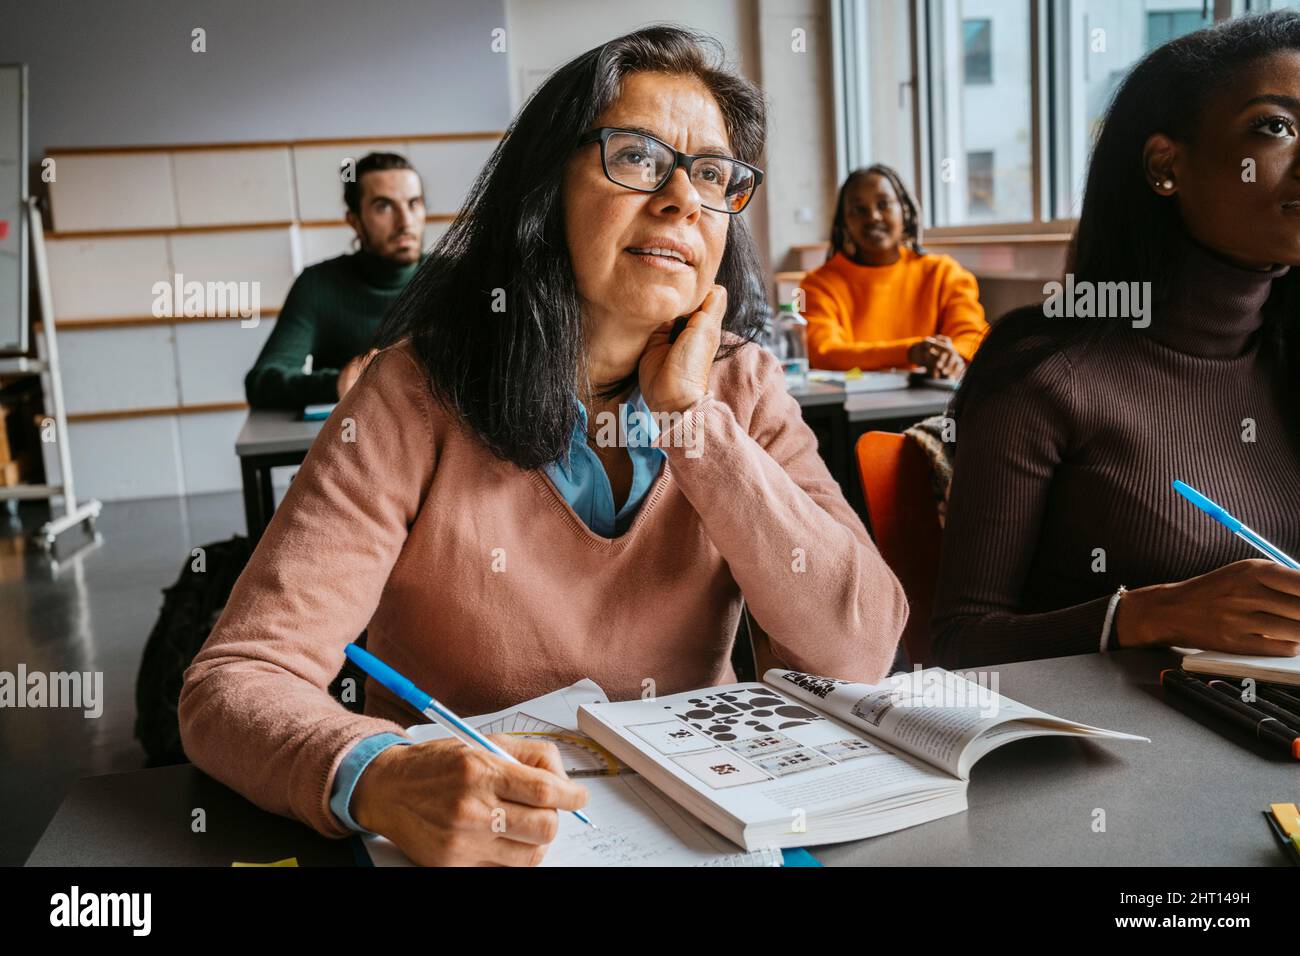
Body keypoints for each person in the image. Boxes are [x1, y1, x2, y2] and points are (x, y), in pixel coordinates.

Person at [180, 27, 907, 867]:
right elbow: (233, 682)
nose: (681, 200)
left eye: (711, 174)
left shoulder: (742, 387)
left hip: (703, 835)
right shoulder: (411, 393)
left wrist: (693, 423)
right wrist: (382, 775)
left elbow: (859, 646)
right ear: (544, 190)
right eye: (637, 157)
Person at [931, 11, 1300, 668]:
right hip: (1128, 757)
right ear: (1165, 166)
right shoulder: (1046, 376)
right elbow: (959, 643)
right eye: (1275, 126)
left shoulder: (1285, 359)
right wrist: (1147, 614)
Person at [243, 152, 426, 409]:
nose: (405, 221)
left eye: (414, 203)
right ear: (355, 222)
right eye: (383, 206)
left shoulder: (452, 277)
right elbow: (262, 382)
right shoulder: (317, 285)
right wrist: (337, 383)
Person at [799, 164, 987, 376]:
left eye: (883, 204)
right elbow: (822, 352)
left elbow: (972, 336)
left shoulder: (944, 273)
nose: (873, 217)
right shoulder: (815, 285)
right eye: (859, 210)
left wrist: (952, 358)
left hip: (937, 401)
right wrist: (910, 352)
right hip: (854, 405)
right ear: (844, 223)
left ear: (904, 211)